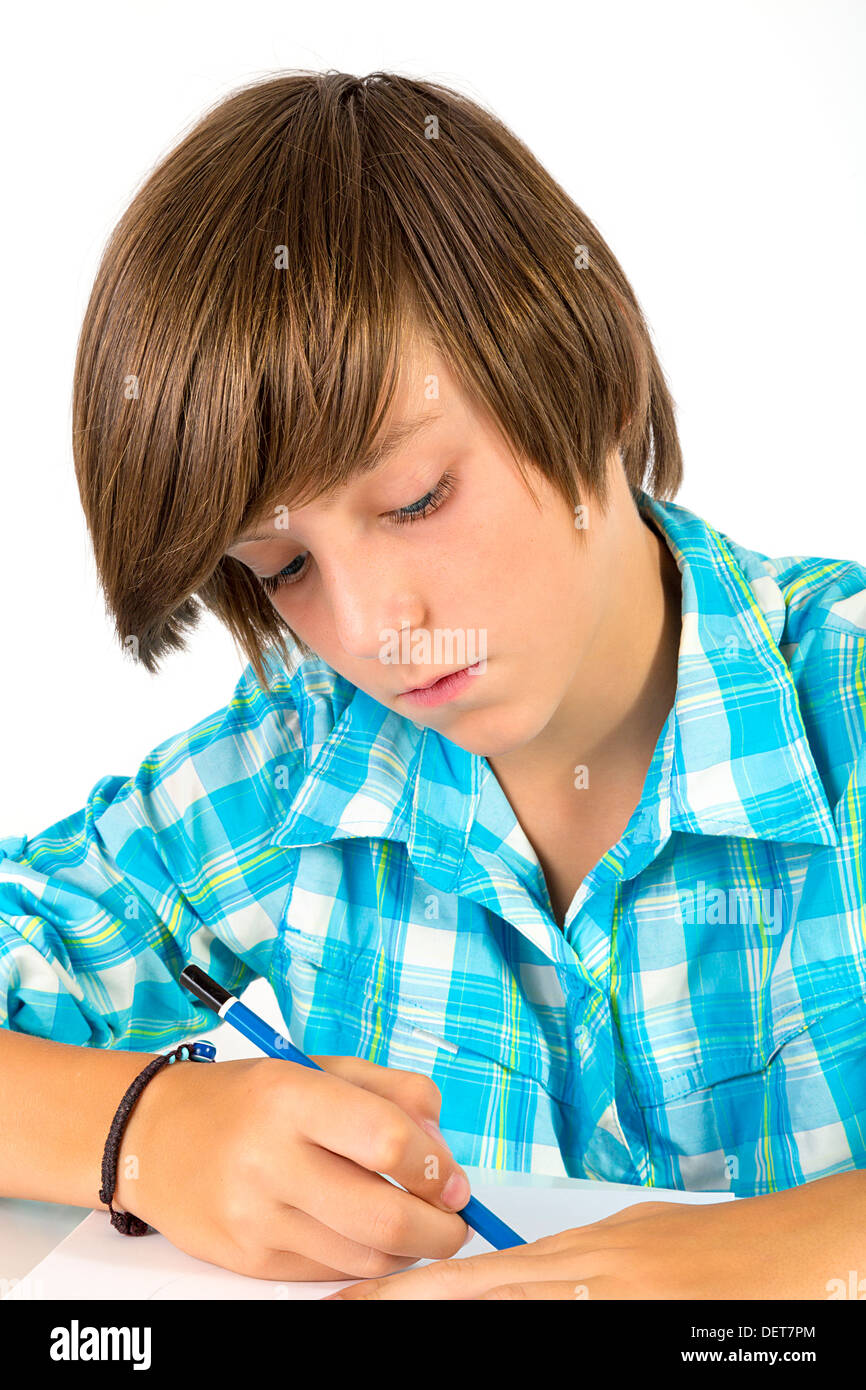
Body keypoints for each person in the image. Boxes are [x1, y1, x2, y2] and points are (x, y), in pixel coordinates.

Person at [2, 70, 865, 1299]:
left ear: (588, 378)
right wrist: (145, 1128)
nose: (369, 629)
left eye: (412, 500)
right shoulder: (293, 775)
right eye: (286, 565)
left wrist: (799, 1254)